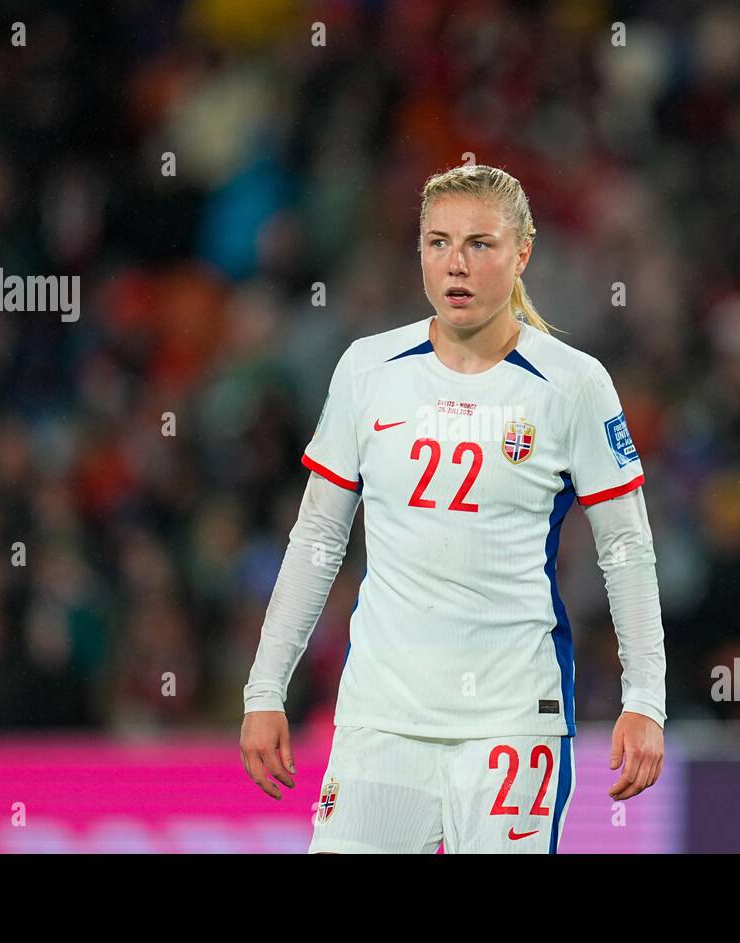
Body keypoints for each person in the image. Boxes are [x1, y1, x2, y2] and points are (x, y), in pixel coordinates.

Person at [238, 163, 667, 853]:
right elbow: (318, 536)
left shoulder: (573, 383)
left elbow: (626, 547)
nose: (455, 264)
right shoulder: (368, 370)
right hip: (382, 717)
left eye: (480, 243)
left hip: (511, 717)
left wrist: (645, 699)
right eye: (436, 243)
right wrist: (265, 688)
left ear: (522, 251)